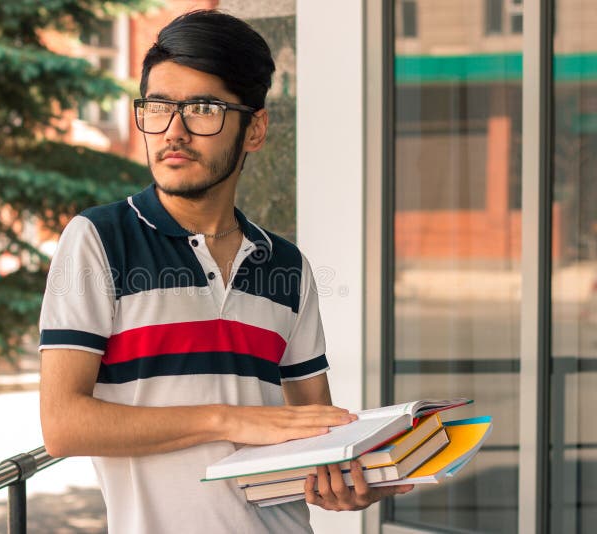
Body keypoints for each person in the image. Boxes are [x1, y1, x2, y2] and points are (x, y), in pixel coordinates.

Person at [39, 10, 412, 533]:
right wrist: (227, 419)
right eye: (159, 108)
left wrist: (348, 478)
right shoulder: (98, 241)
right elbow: (63, 426)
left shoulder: (287, 267)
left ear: (254, 128)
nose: (174, 131)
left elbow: (313, 435)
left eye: (203, 109)